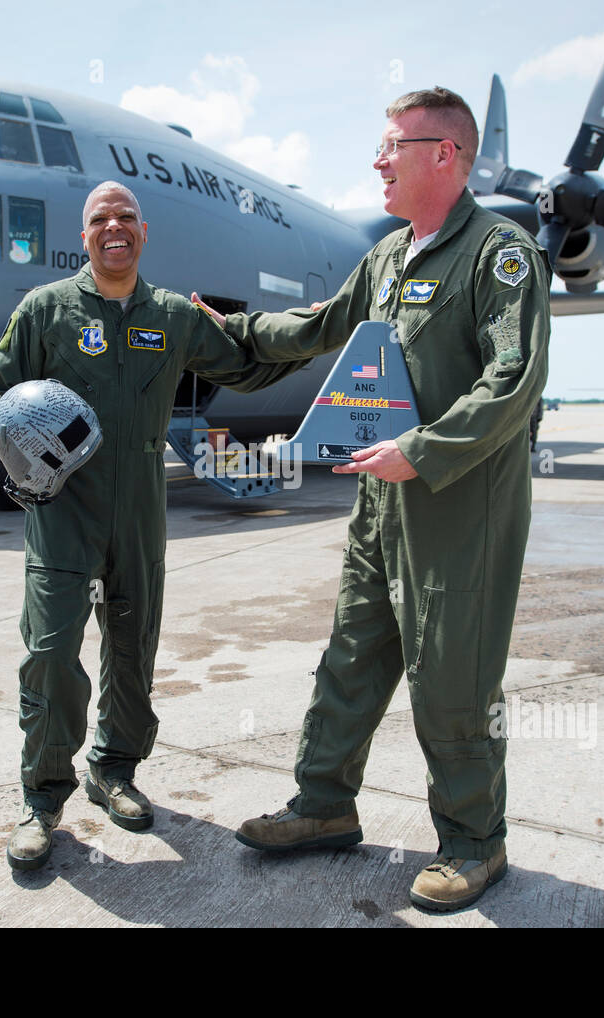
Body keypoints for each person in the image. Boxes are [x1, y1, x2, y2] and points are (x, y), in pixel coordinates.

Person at [194, 86, 550, 911]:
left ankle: (473, 842)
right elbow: (321, 326)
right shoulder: (390, 256)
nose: (378, 161)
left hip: (458, 502)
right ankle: (322, 806)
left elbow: (515, 378)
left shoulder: (499, 254)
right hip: (379, 502)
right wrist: (231, 333)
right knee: (351, 655)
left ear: (444, 156)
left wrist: (421, 451)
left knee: (451, 676)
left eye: (394, 145)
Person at [0, 181, 296, 871]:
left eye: (126, 217)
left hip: (139, 512)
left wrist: (323, 328)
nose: (114, 227)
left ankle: (113, 771)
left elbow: (246, 361)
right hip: (62, 512)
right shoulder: (46, 311)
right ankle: (42, 801)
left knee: (133, 651)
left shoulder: (173, 316)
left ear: (144, 232)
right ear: (85, 234)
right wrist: (30, 468)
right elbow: (1, 397)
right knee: (48, 656)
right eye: (101, 219)